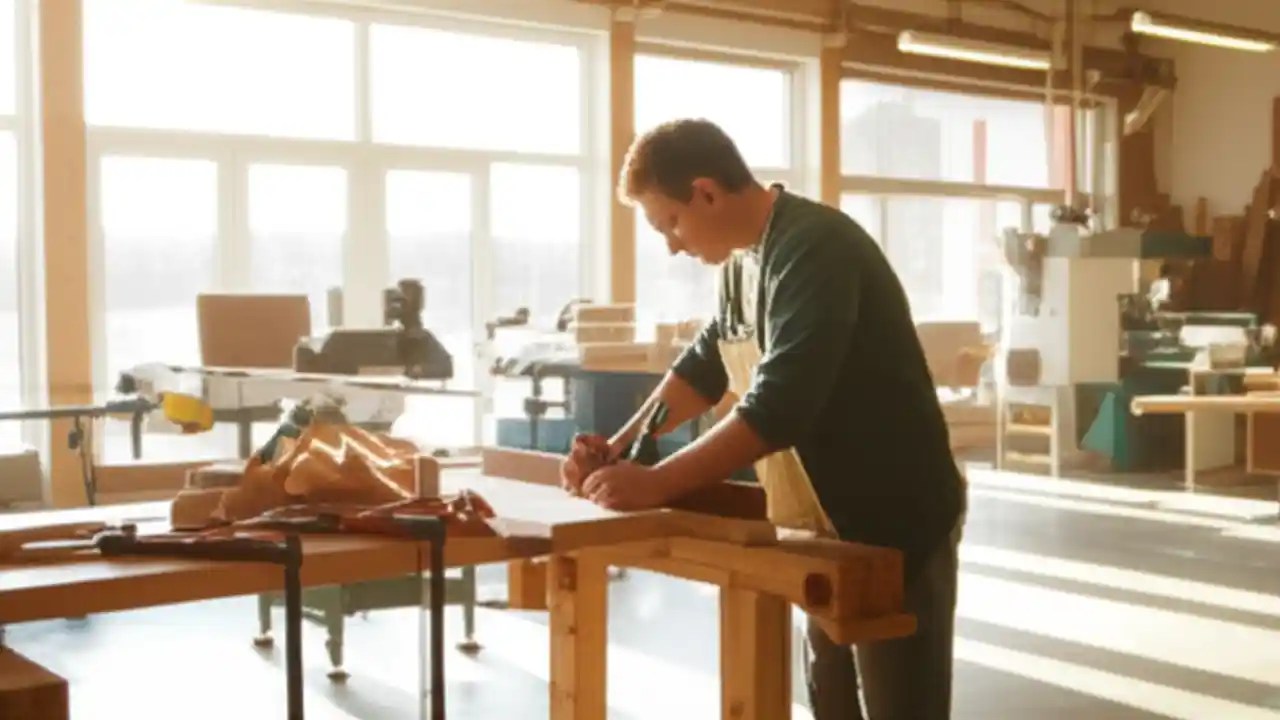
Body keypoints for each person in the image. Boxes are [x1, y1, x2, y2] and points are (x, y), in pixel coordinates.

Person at [560, 118, 966, 720]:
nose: (671, 244)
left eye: (669, 222)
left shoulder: (813, 247)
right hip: (821, 521)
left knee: (898, 706)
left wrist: (658, 483)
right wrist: (622, 450)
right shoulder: (739, 265)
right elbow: (704, 368)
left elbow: (779, 407)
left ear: (706, 192)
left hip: (892, 519)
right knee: (831, 696)